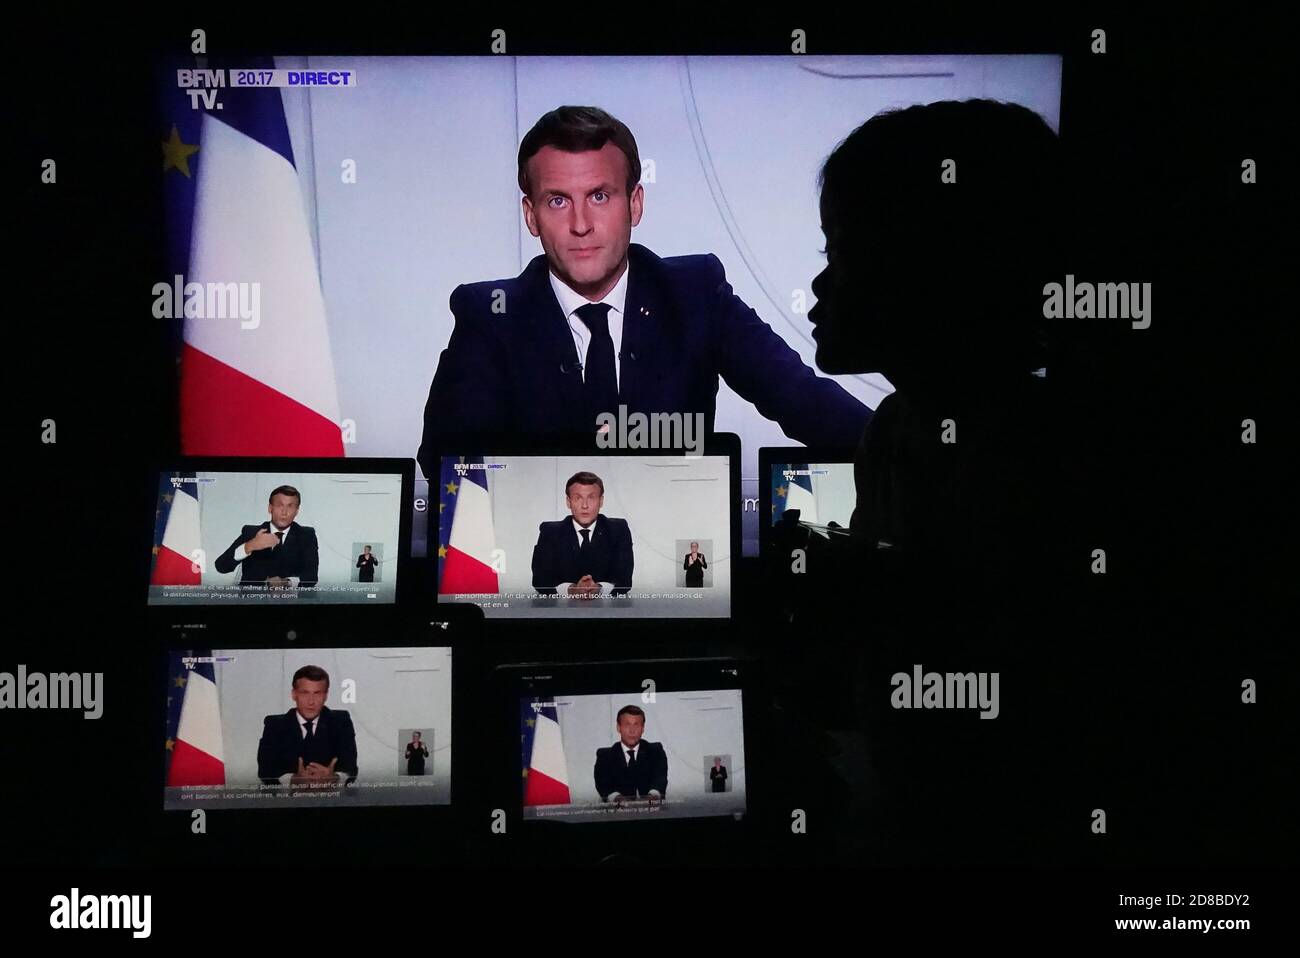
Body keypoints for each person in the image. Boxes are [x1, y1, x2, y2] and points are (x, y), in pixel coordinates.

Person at [808, 99, 1085, 863]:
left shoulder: (1044, 454)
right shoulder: (896, 427)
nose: (819, 285)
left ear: (930, 263)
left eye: (843, 251)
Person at [416, 105, 870, 479]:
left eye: (599, 196)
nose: (580, 224)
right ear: (531, 216)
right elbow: (451, 468)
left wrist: (909, 450)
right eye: (558, 200)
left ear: (635, 204)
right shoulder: (488, 315)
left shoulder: (693, 293)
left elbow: (801, 398)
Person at [531, 471, 633, 597]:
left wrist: (599, 588)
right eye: (578, 498)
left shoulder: (618, 529)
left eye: (591, 497)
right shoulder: (550, 531)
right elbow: (540, 581)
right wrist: (571, 589)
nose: (585, 505)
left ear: (601, 501)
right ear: (568, 502)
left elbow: (624, 581)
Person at [256, 665, 358, 786]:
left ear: (326, 695)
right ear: (294, 694)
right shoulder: (275, 724)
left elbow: (351, 768)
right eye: (304, 693)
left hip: (332, 800)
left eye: (317, 693)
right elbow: (265, 771)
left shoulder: (340, 721)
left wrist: (335, 777)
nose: (311, 702)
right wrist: (292, 780)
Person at [213, 485, 319, 588]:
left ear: (296, 511)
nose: (284, 512)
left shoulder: (306, 535)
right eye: (279, 505)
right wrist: (249, 546)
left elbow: (311, 577)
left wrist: (287, 582)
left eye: (290, 506)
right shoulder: (251, 532)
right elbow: (221, 566)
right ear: (270, 508)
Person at [593, 705, 667, 803]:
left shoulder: (655, 750)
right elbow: (603, 784)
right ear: (618, 728)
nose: (632, 731)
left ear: (643, 728)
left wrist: (653, 795)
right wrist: (616, 798)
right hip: (617, 815)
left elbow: (660, 778)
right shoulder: (605, 755)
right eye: (627, 724)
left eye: (636, 725)